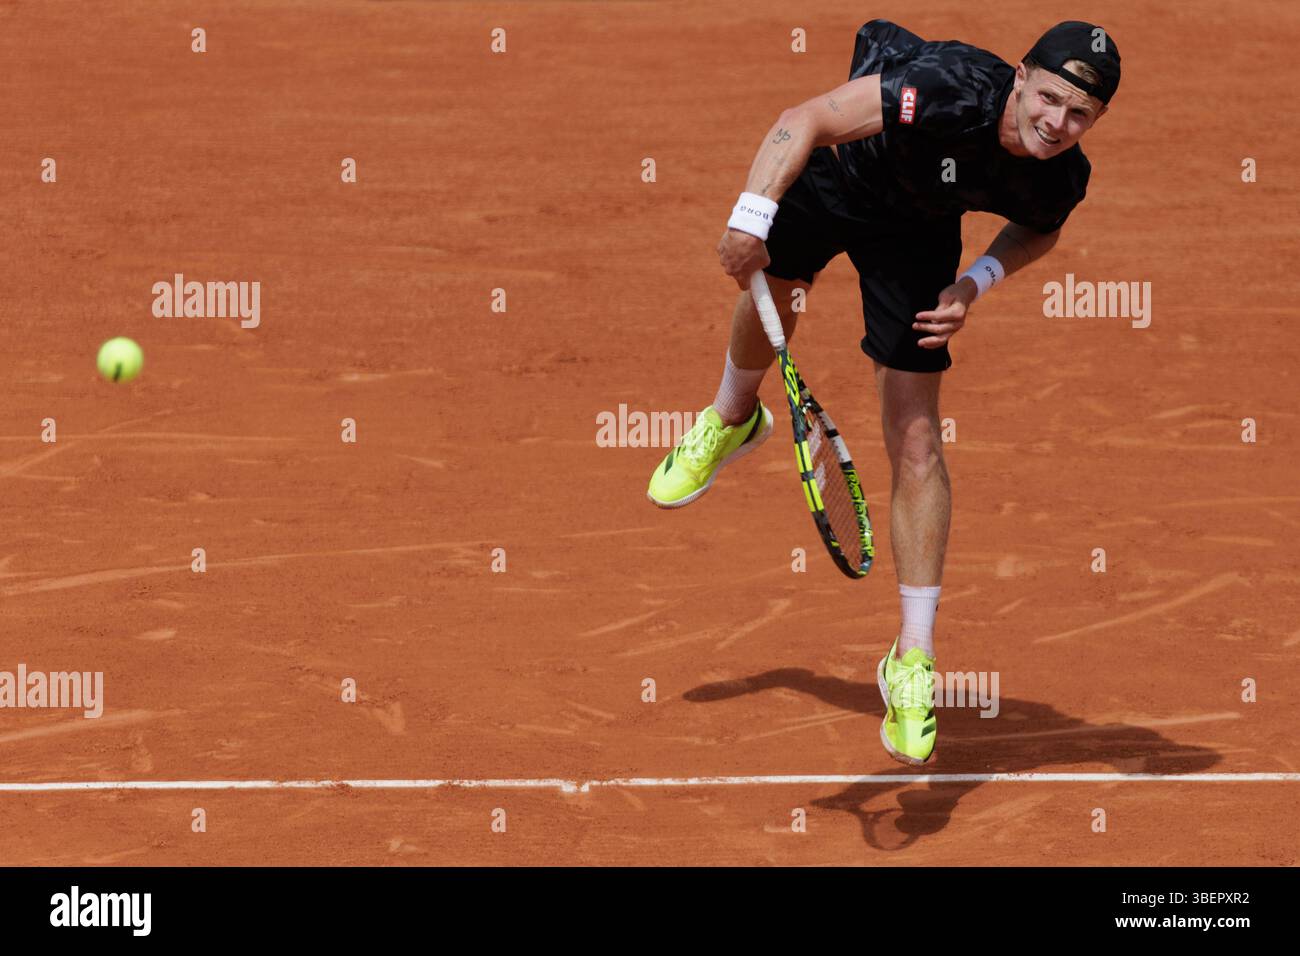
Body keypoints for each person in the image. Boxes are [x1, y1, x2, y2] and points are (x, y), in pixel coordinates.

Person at [646, 20, 1121, 764]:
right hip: (841, 177)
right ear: (1022, 76)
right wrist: (751, 216)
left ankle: (912, 661)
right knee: (777, 289)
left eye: (1079, 115)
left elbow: (1039, 228)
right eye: (1050, 99)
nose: (1057, 124)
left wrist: (976, 282)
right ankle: (732, 416)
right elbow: (803, 120)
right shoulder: (944, 91)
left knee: (918, 437)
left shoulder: (1060, 172)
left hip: (917, 234)